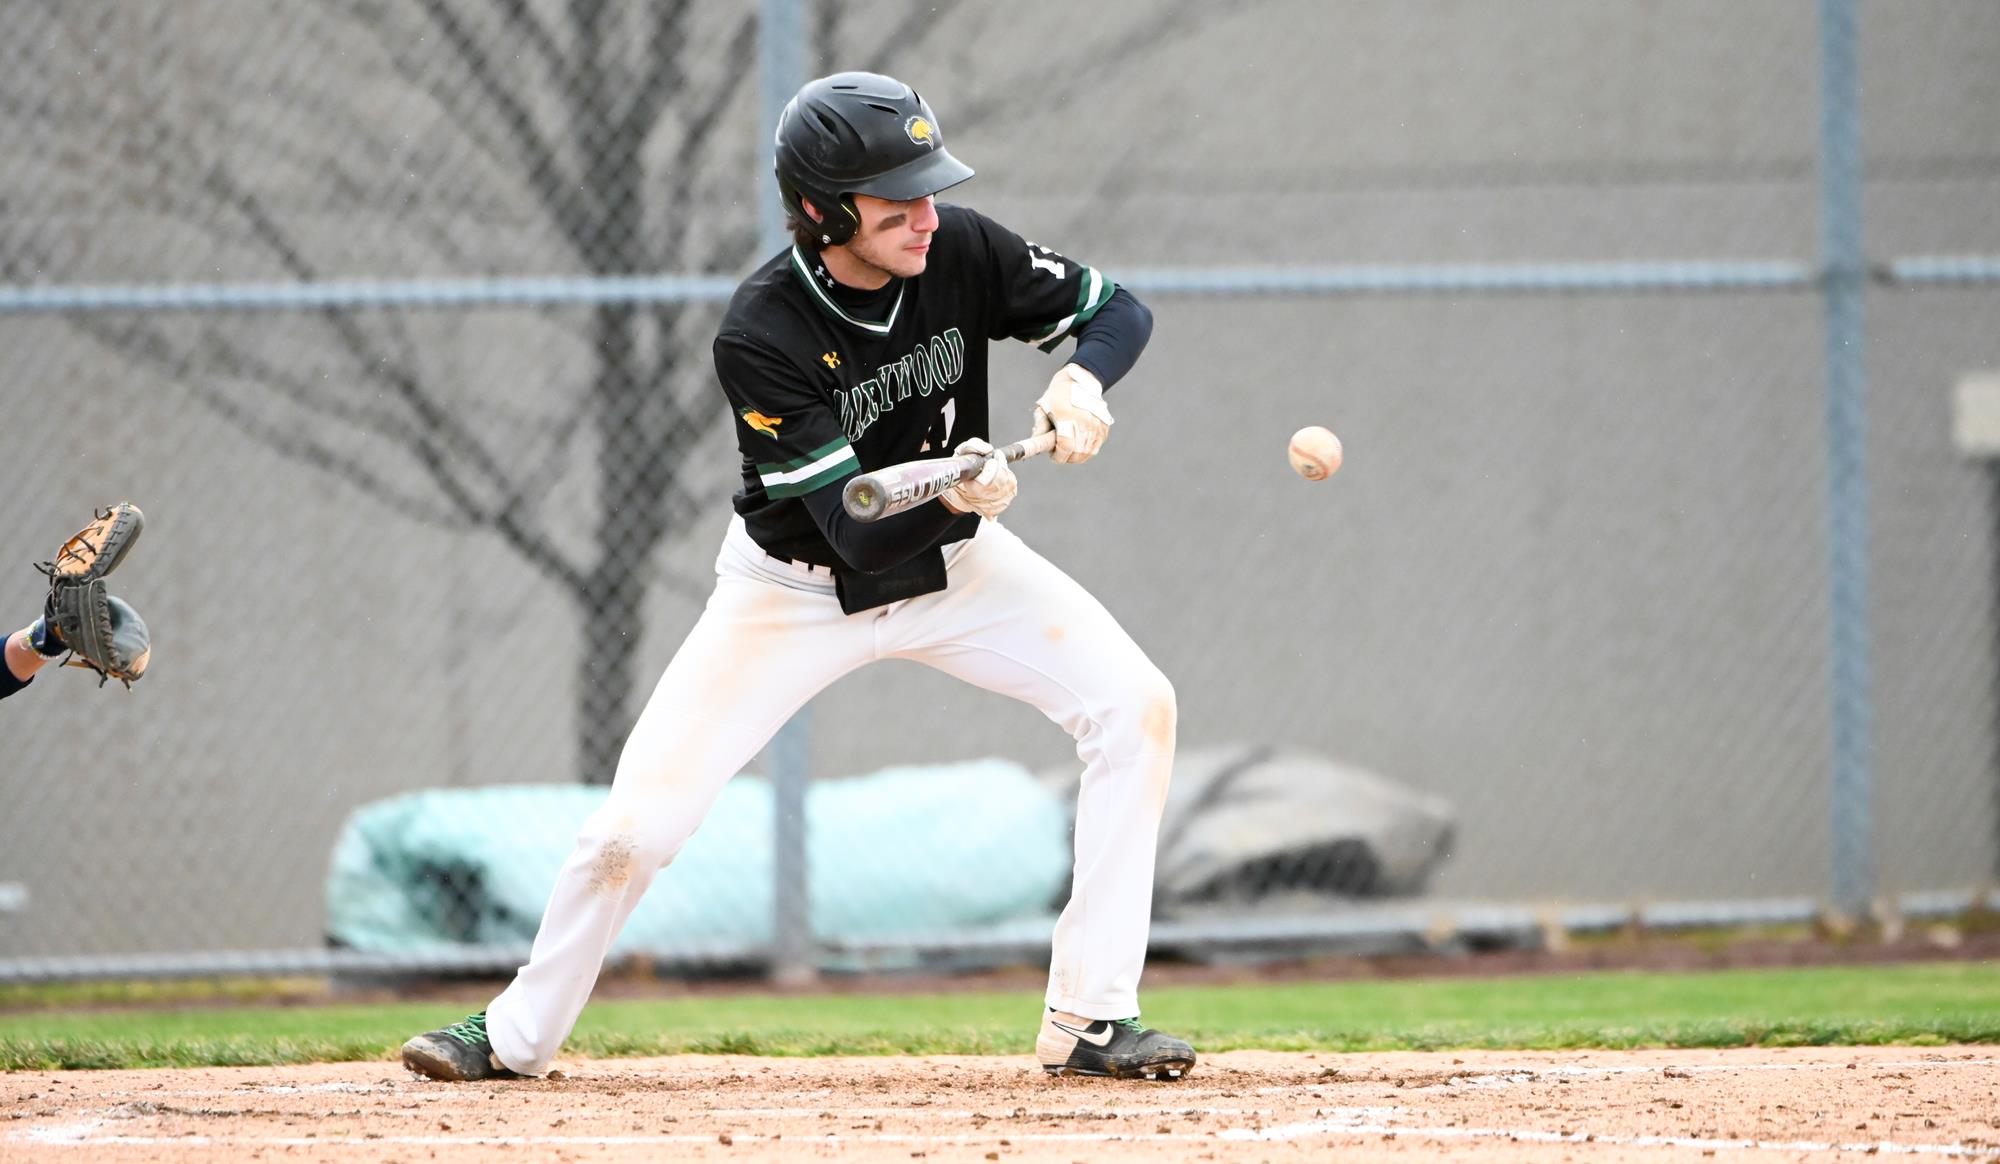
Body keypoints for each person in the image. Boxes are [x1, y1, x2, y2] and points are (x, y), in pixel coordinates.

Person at [401, 71, 1193, 1083]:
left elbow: (1115, 310)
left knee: (1135, 707)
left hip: (959, 566)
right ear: (821, 210)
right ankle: (512, 1037)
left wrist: (1083, 375)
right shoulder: (762, 331)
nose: (924, 213)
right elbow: (855, 531)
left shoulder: (962, 250)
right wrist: (956, 487)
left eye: (927, 184)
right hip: (790, 593)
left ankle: (1091, 1019)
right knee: (633, 835)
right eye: (892, 194)